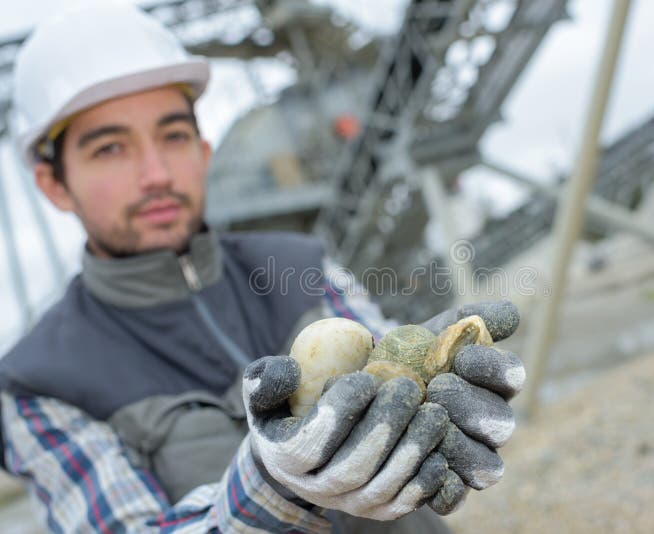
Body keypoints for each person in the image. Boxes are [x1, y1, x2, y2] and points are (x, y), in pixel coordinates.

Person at [0, 2, 527, 533]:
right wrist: (277, 484)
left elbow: (393, 371)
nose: (156, 173)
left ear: (204, 151)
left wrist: (430, 372)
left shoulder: (299, 264)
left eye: (174, 136)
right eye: (110, 148)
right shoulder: (39, 382)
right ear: (54, 184)